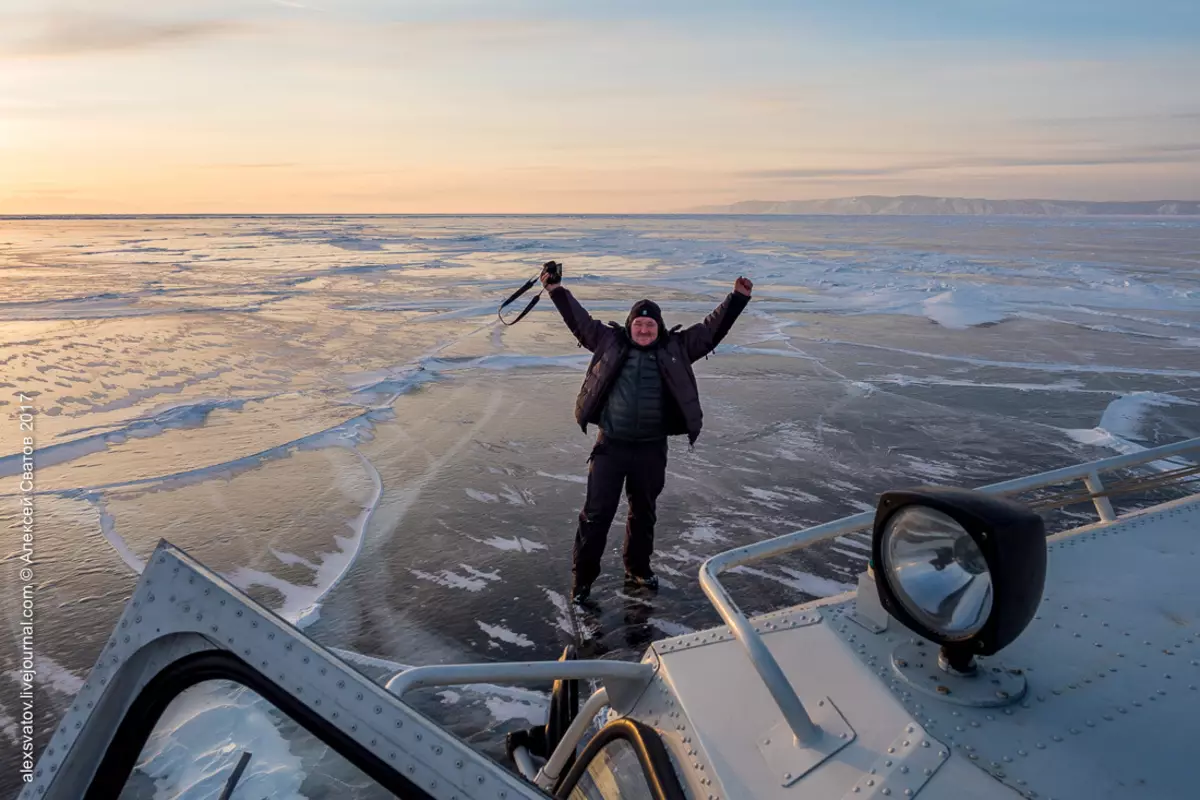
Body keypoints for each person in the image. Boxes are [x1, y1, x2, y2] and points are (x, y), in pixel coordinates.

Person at [540, 262, 753, 603]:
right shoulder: (608, 341)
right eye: (638, 324)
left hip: (651, 449)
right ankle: (582, 580)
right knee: (596, 514)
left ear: (659, 327)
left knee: (643, 512)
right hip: (611, 445)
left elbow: (711, 331)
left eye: (649, 324)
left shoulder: (676, 347)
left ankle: (637, 568)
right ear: (629, 325)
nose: (643, 329)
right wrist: (555, 290)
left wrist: (737, 299)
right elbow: (579, 320)